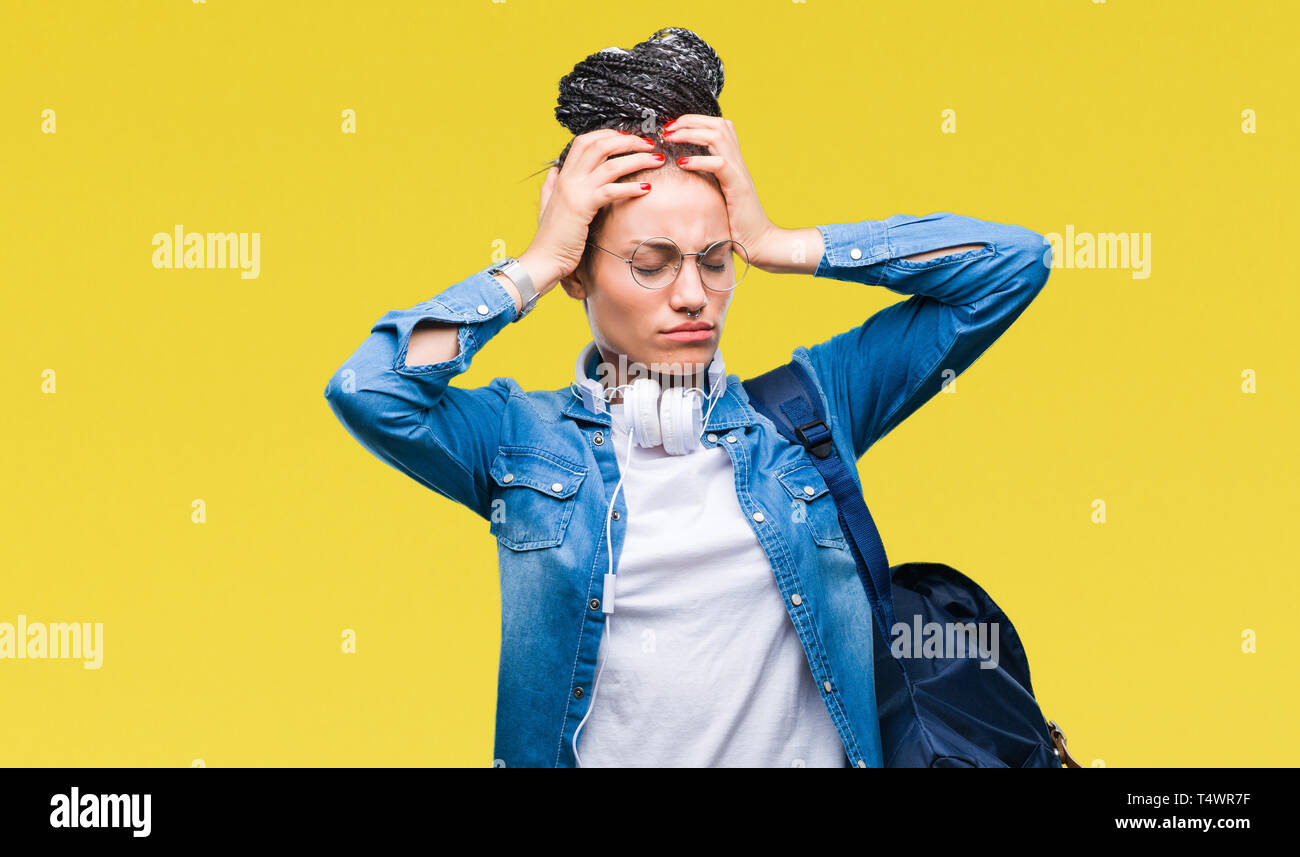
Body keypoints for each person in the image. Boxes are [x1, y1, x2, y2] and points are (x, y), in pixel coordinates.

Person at [324, 27, 1052, 768]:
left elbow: (1014, 265)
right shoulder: (521, 441)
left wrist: (779, 242)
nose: (693, 296)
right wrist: (535, 263)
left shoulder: (809, 414)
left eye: (714, 260)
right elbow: (370, 387)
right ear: (582, 272)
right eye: (651, 264)